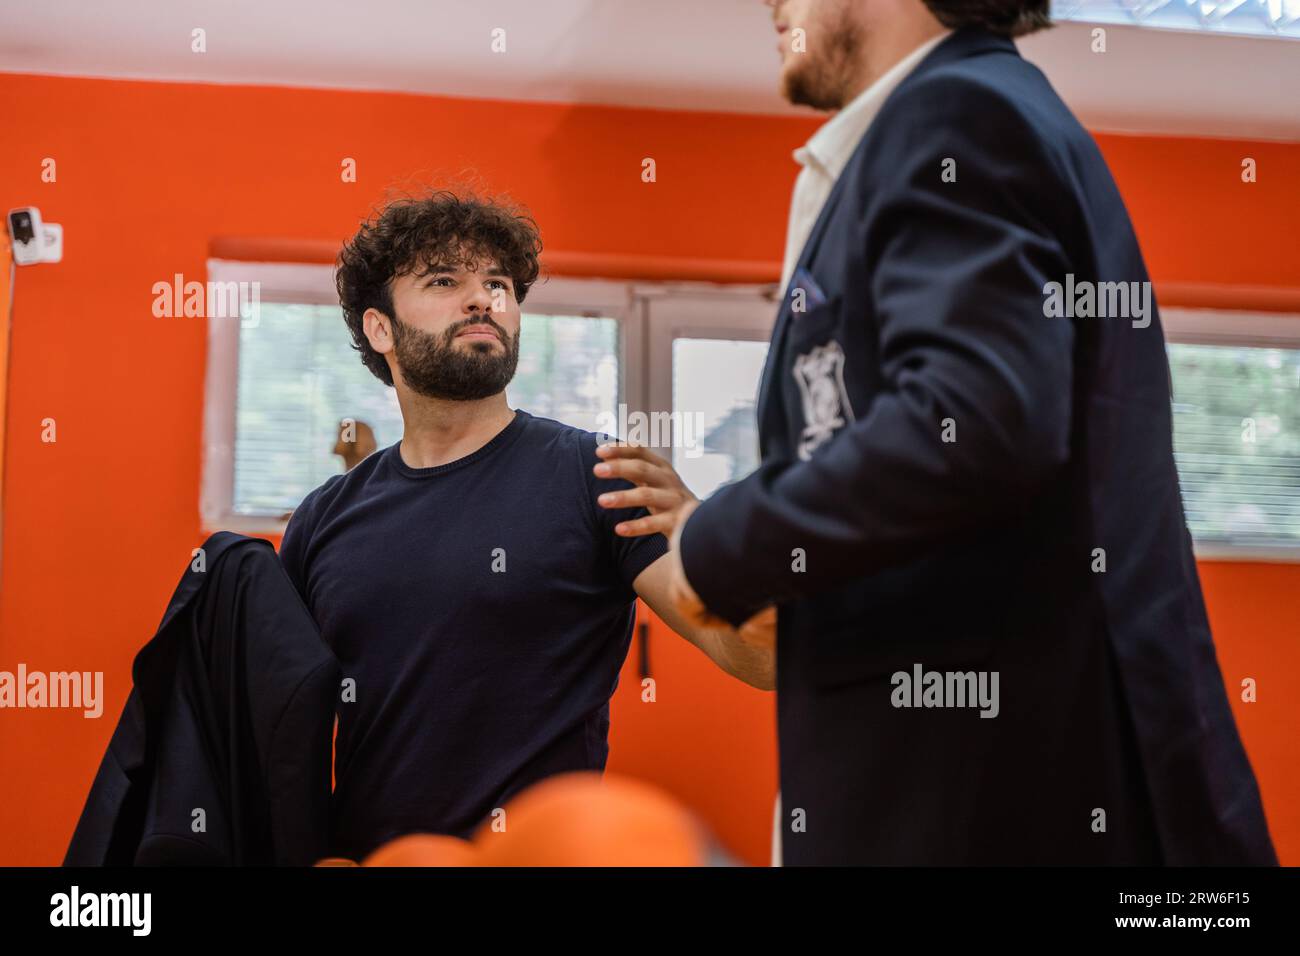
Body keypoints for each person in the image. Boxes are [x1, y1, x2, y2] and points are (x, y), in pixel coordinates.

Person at [619, 0, 1276, 865]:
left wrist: (720, 541)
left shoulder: (958, 112)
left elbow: (972, 425)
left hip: (1019, 793)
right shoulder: (962, 117)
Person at [278, 189, 773, 861]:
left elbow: (758, 660)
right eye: (445, 281)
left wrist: (706, 537)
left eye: (498, 285)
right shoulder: (324, 518)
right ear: (380, 329)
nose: (484, 300)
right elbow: (284, 730)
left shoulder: (599, 476)